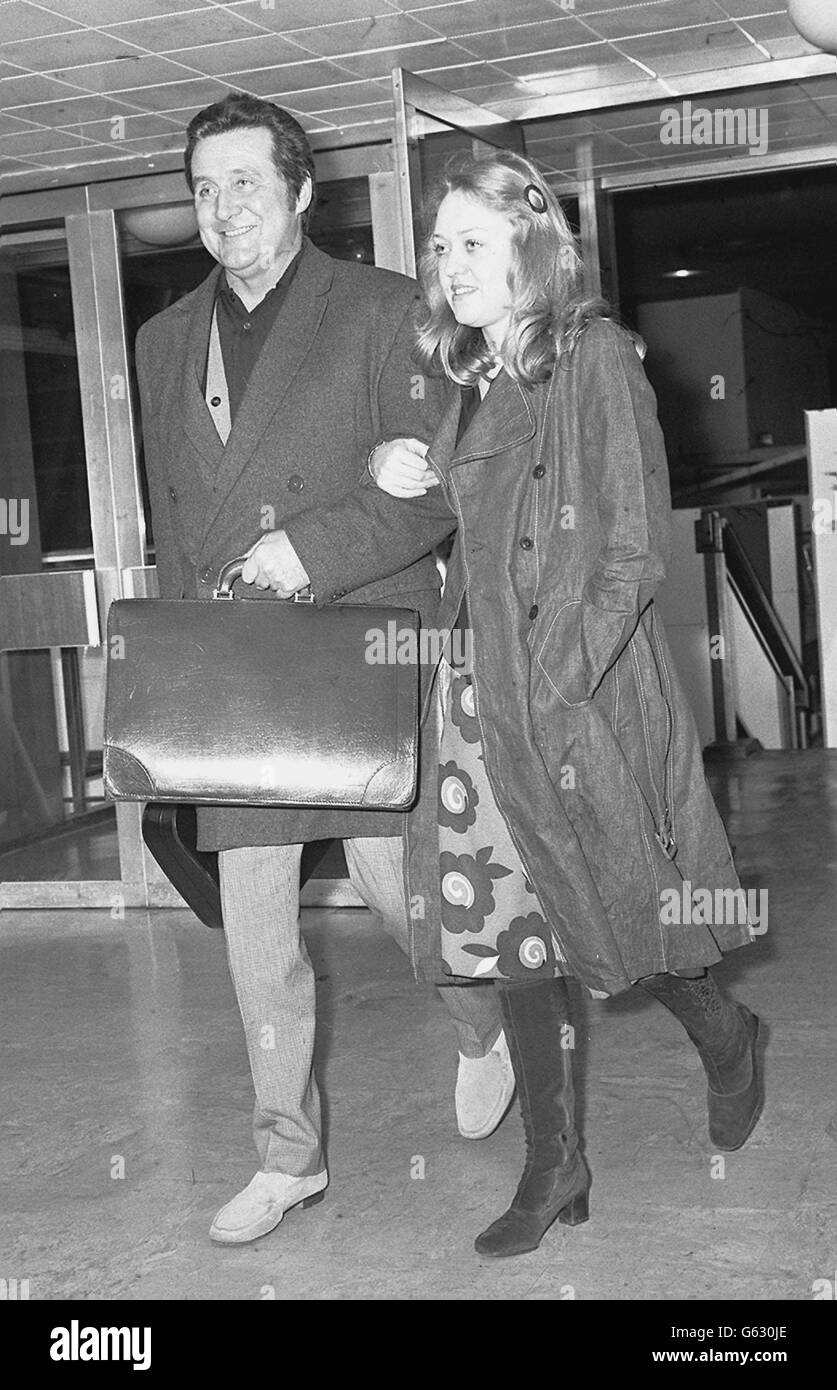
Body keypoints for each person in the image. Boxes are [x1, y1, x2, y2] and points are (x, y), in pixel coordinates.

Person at [363, 150, 766, 1258]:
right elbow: (487, 533)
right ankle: (557, 1164)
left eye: (473, 243)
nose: (450, 264)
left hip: (569, 695)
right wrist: (418, 472)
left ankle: (726, 1031)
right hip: (476, 694)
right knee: (510, 932)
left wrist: (547, 684)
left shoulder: (594, 358)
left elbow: (630, 553)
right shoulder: (473, 378)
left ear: (534, 246)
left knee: (629, 914)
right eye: (440, 247)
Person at [134, 94, 511, 1247]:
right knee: (257, 930)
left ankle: (483, 1025)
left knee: (405, 896)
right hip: (245, 672)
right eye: (202, 188)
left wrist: (307, 547)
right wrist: (183, 648)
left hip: (358, 653)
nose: (221, 208)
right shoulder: (159, 343)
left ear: (302, 192)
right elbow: (178, 519)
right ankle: (284, 1155)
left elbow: (439, 490)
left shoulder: (391, 311)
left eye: (245, 182)